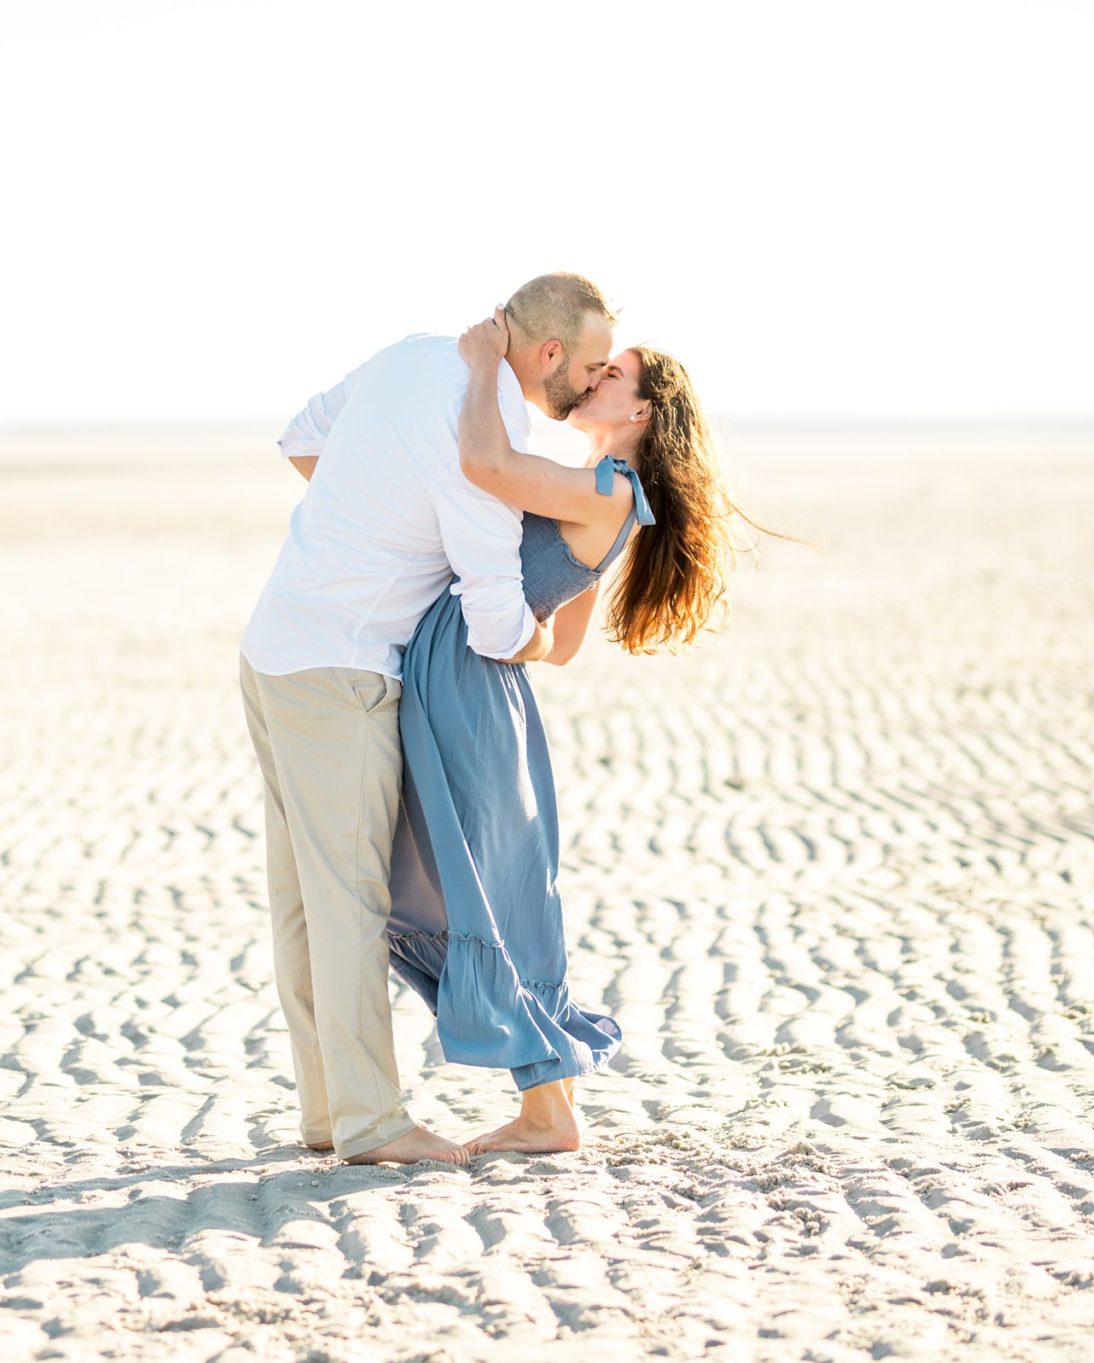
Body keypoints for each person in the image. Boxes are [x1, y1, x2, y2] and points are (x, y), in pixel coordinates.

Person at [239, 274, 617, 1165]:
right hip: (344, 670)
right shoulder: (494, 430)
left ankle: (329, 1111)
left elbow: (302, 440)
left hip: (273, 644)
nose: (591, 384)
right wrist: (540, 639)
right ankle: (372, 1123)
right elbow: (494, 622)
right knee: (350, 903)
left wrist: (373, 518)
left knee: (303, 900)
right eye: (589, 366)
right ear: (549, 352)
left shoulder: (412, 354)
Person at [386, 306, 751, 1154]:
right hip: (482, 675)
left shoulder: (609, 489)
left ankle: (549, 1114)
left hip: (471, 679)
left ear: (642, 411)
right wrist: (517, 631)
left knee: (482, 879)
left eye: (611, 374)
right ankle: (546, 1109)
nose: (593, 379)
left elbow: (484, 465)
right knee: (493, 878)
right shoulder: (603, 490)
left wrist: (485, 363)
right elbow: (564, 643)